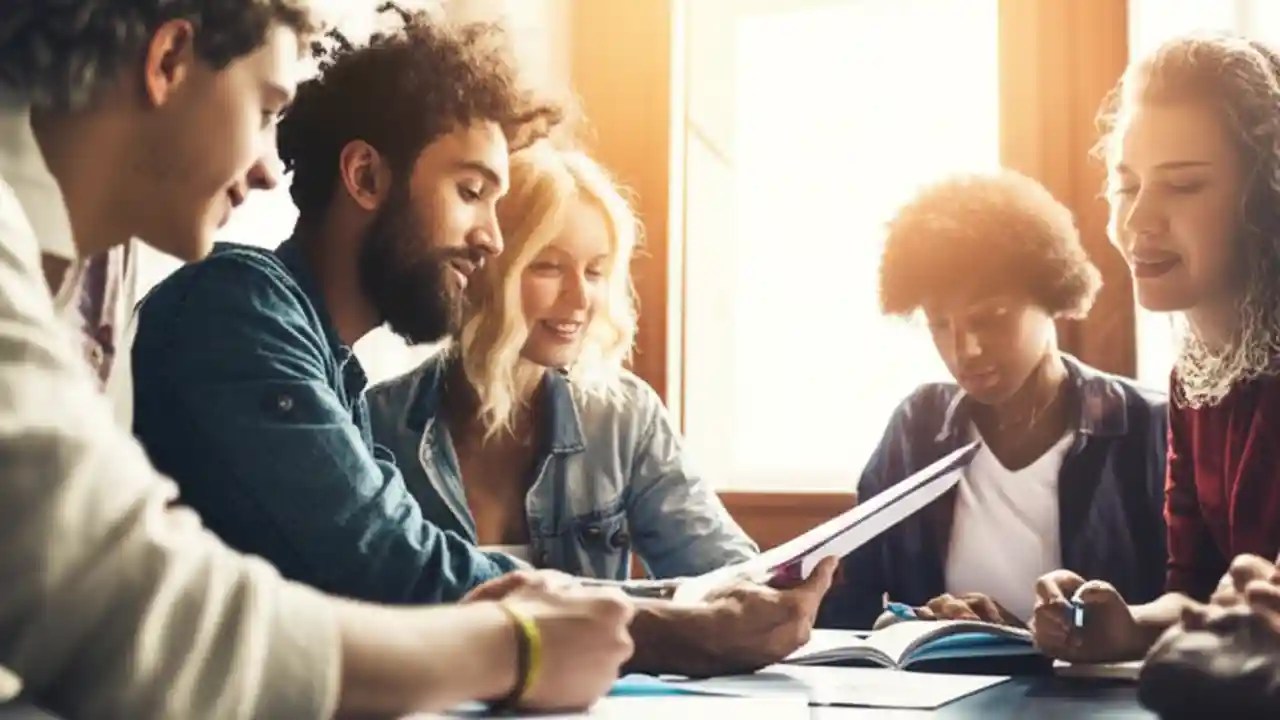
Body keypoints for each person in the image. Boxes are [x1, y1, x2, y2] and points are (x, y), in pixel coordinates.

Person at [130, 10, 834, 678]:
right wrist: (678, 632)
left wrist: (694, 607)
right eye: (471, 191)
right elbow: (395, 569)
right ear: (367, 177)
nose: (491, 238)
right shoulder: (239, 307)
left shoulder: (333, 369)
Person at [0, 3, 633, 717]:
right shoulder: (232, 303)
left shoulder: (101, 269)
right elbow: (129, 603)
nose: (271, 169)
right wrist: (523, 645)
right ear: (168, 60)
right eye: (268, 108)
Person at [365, 143, 757, 581]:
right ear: (484, 265)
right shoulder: (378, 425)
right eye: (549, 266)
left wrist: (778, 592)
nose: (580, 298)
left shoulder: (623, 417)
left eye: (595, 272)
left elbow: (727, 573)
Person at [816, 171, 1169, 630]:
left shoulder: (1149, 427)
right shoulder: (916, 428)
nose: (966, 350)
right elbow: (855, 597)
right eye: (941, 325)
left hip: (1100, 698)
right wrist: (906, 623)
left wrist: (1025, 639)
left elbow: (1192, 609)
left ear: (1052, 294)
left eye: (990, 318)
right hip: (939, 695)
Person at [1031, 33, 1280, 663]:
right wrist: (1126, 627)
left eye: (1184, 186)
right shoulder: (1194, 377)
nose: (1139, 218)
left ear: (1266, 198)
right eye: (1127, 183)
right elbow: (1194, 590)